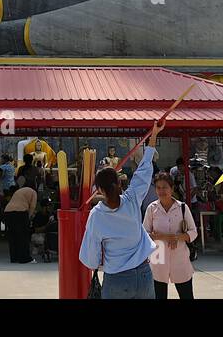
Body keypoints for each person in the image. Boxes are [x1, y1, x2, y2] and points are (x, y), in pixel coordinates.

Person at [79, 120, 163, 299]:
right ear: (119, 182)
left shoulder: (96, 216)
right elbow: (145, 169)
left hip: (117, 277)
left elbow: (90, 259)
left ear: (99, 190)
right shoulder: (132, 199)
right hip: (144, 274)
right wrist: (154, 134)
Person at [143, 170, 198, 299]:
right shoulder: (152, 208)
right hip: (158, 257)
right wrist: (160, 237)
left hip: (180, 257)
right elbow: (144, 233)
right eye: (158, 188)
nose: (161, 191)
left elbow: (193, 232)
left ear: (172, 189)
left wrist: (177, 238)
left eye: (165, 187)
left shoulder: (182, 208)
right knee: (159, 295)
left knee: (186, 295)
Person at [3, 168, 39, 264]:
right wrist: (28, 218)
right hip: (20, 212)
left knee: (13, 236)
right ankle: (25, 258)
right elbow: (32, 207)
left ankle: (14, 258)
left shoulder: (20, 191)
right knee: (23, 236)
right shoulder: (33, 192)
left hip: (8, 212)